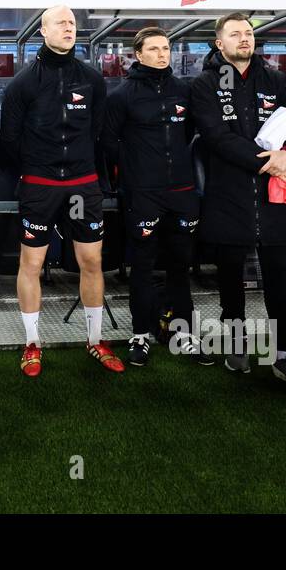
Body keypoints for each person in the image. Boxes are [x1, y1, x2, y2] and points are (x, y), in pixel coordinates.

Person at [189, 12, 286, 395]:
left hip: (276, 197)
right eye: (235, 34)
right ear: (220, 43)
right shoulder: (204, 84)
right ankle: (234, 344)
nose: (244, 38)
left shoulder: (277, 80)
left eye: (248, 33)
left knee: (278, 277)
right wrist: (270, 162)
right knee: (230, 274)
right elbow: (216, 136)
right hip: (229, 194)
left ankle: (285, 355)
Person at [1, 5, 117, 376]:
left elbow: (96, 132)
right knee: (31, 264)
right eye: (61, 23)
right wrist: (38, 168)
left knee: (91, 261)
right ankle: (32, 344)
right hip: (40, 187)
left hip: (83, 186)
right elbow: (10, 140)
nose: (69, 27)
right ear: (43, 30)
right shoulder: (23, 83)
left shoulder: (92, 79)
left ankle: (95, 339)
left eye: (72, 23)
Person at [102, 27, 208, 367]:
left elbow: (190, 134)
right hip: (141, 194)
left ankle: (184, 333)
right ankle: (141, 335)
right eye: (155, 49)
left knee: (180, 265)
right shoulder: (121, 95)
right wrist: (131, 176)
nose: (163, 54)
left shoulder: (184, 90)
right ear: (139, 54)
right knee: (142, 267)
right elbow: (107, 144)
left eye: (166, 48)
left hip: (181, 192)